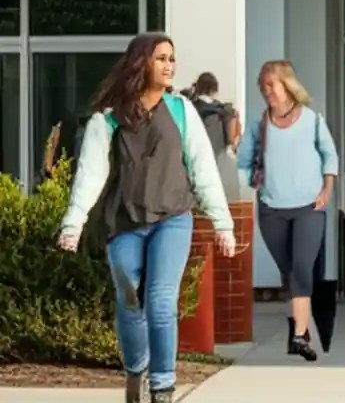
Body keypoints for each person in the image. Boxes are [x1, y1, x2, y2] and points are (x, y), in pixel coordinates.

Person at [55, 32, 237, 403]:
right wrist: (73, 224)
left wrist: (223, 224)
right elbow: (91, 176)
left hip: (173, 217)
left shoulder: (182, 112)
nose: (170, 65)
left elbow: (203, 169)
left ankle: (163, 386)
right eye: (161, 58)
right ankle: (136, 368)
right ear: (141, 63)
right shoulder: (107, 120)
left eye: (172, 58)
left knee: (160, 299)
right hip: (123, 223)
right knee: (130, 300)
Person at [237, 60, 339, 362]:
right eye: (263, 85)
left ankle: (299, 335)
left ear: (287, 84)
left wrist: (327, 190)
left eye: (272, 84)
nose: (266, 91)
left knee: (301, 269)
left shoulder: (312, 120)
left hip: (309, 207)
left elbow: (329, 156)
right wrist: (253, 187)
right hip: (272, 210)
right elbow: (243, 162)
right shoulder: (260, 126)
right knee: (290, 271)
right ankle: (301, 327)